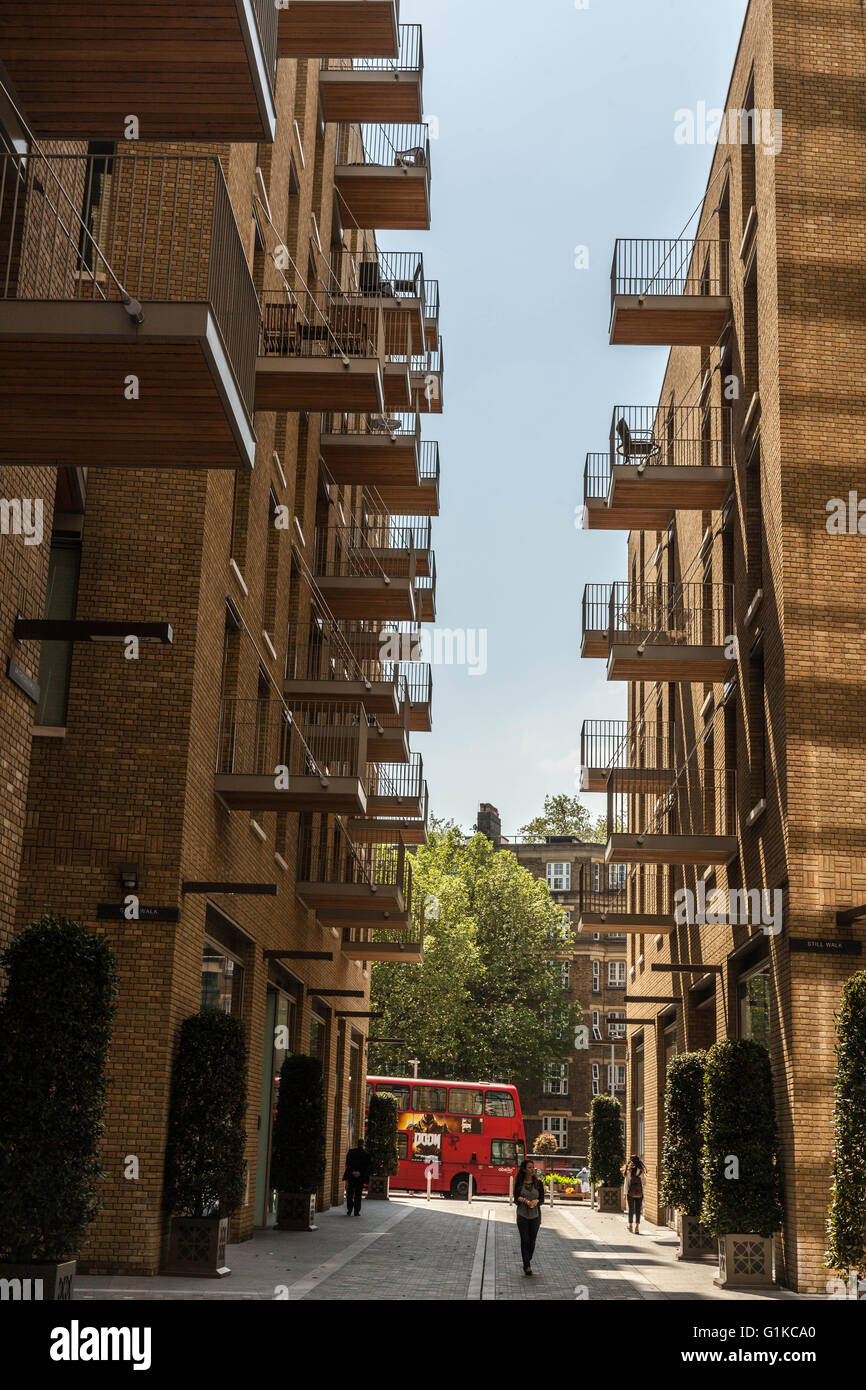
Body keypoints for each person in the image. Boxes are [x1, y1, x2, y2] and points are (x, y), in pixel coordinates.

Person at [514, 1158, 546, 1274]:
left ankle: (527, 1259)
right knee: (525, 1240)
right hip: (522, 1215)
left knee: (532, 1241)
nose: (532, 1170)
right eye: (529, 1167)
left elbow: (542, 1199)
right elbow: (516, 1199)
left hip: (535, 1216)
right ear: (524, 1170)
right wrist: (523, 1200)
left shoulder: (539, 1184)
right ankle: (527, 1265)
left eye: (533, 1167)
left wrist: (536, 1201)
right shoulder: (519, 1183)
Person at [343, 1139, 371, 1216]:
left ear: (357, 1143)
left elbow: (348, 1163)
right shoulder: (366, 1154)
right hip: (360, 1177)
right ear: (363, 1144)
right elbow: (366, 1167)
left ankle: (349, 1209)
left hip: (351, 1176)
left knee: (349, 1193)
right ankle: (356, 1211)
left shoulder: (351, 1152)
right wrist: (359, 1172)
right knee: (358, 1194)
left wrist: (353, 1171)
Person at [624, 1154, 646, 1234]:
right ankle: (637, 1227)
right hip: (639, 1193)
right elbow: (644, 1182)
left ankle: (630, 1225)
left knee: (631, 1210)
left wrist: (625, 1193)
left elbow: (627, 1183)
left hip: (630, 1193)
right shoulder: (641, 1170)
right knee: (638, 1210)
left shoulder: (628, 1170)